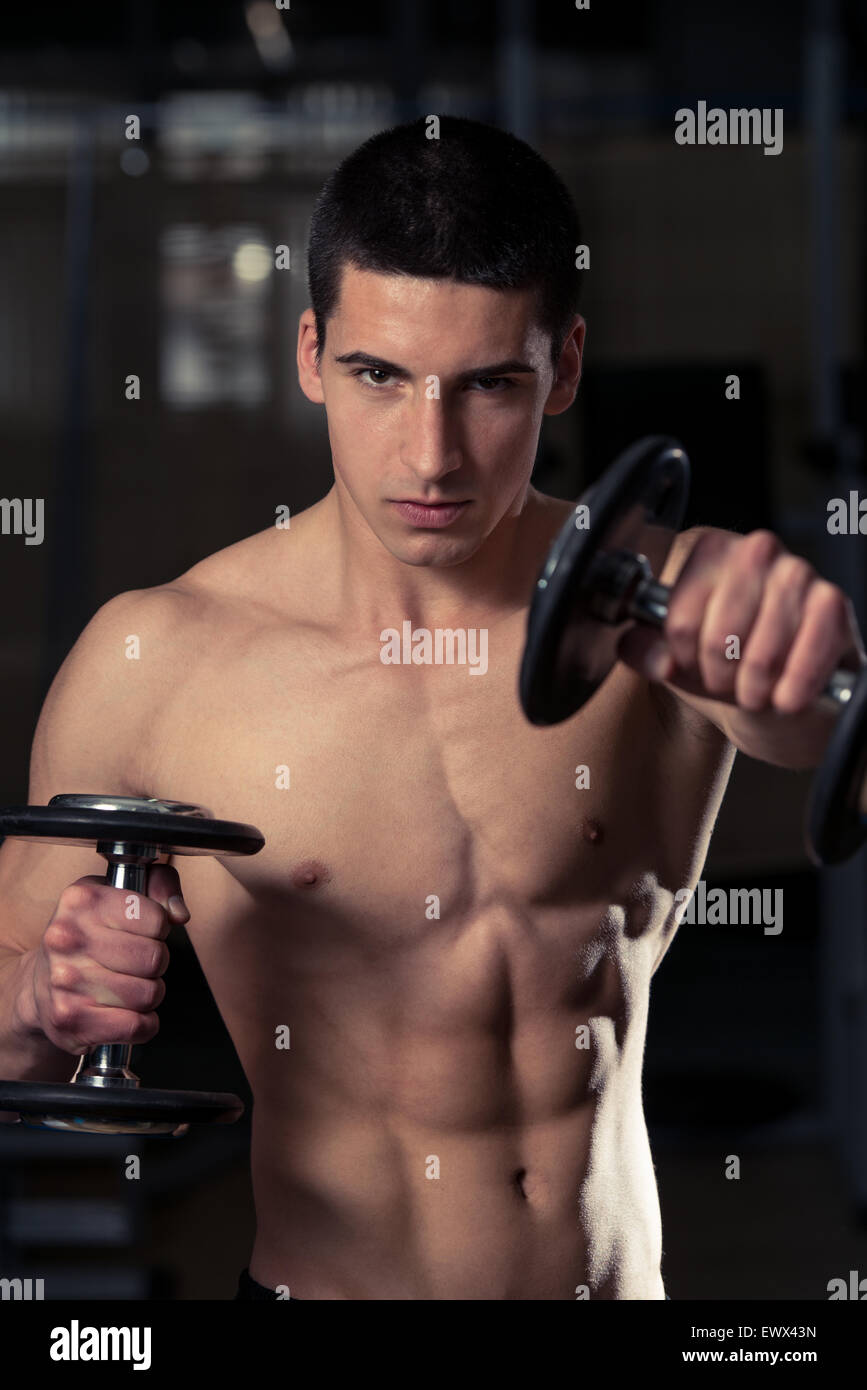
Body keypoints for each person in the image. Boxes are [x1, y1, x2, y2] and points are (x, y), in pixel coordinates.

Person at [0, 116, 863, 1301]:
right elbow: (18, 1042)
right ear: (310, 353)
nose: (433, 454)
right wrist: (51, 998)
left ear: (562, 368)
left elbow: (817, 731)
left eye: (490, 385)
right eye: (378, 375)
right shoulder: (154, 659)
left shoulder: (670, 609)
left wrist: (814, 666)